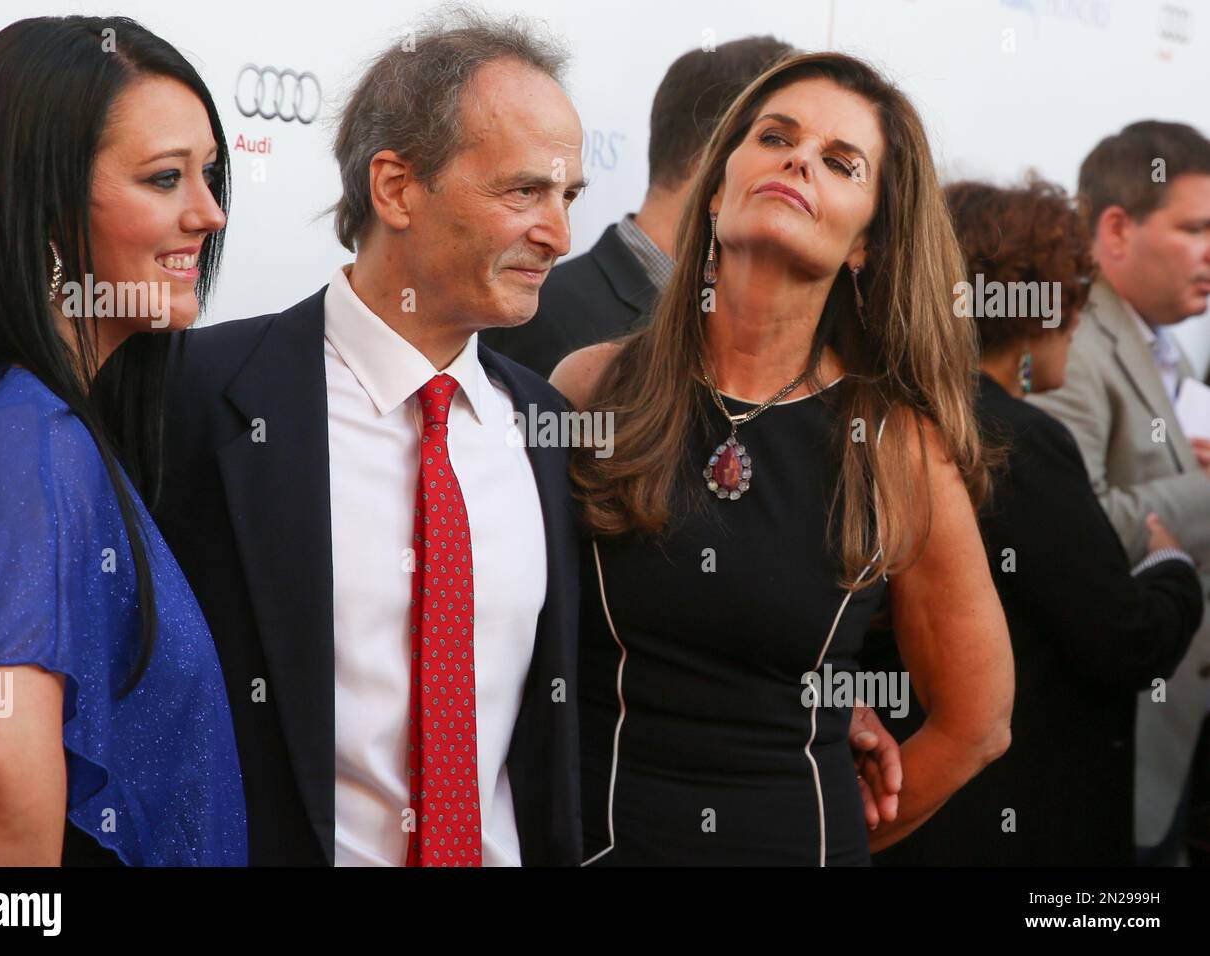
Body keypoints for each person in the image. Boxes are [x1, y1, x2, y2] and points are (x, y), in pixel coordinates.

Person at [551, 51, 1014, 866]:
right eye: (775, 137)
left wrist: (839, 839)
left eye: (841, 163)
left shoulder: (897, 447)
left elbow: (978, 722)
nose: (800, 160)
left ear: (867, 239)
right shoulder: (590, 387)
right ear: (720, 182)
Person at [153, 8, 588, 867]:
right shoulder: (194, 397)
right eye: (524, 191)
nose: (559, 235)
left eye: (568, 197)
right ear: (395, 188)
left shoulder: (549, 430)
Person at [0, 16, 245, 866]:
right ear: (45, 206)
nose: (207, 213)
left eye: (209, 175)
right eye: (165, 178)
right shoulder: (20, 435)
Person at [874, 177, 1204, 866]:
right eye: (1075, 295)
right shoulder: (1015, 438)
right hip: (1022, 819)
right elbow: (1121, 639)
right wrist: (1171, 568)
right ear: (1037, 310)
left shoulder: (898, 411)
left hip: (923, 805)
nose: (1080, 320)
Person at [1026, 121, 1210, 864]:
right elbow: (1078, 530)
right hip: (1114, 743)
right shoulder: (1068, 344)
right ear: (1116, 228)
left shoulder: (1167, 344)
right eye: (1196, 228)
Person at [480, 35, 796, 376]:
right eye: (775, 141)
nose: (800, 172)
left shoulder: (743, 327)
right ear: (714, 159)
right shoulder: (533, 314)